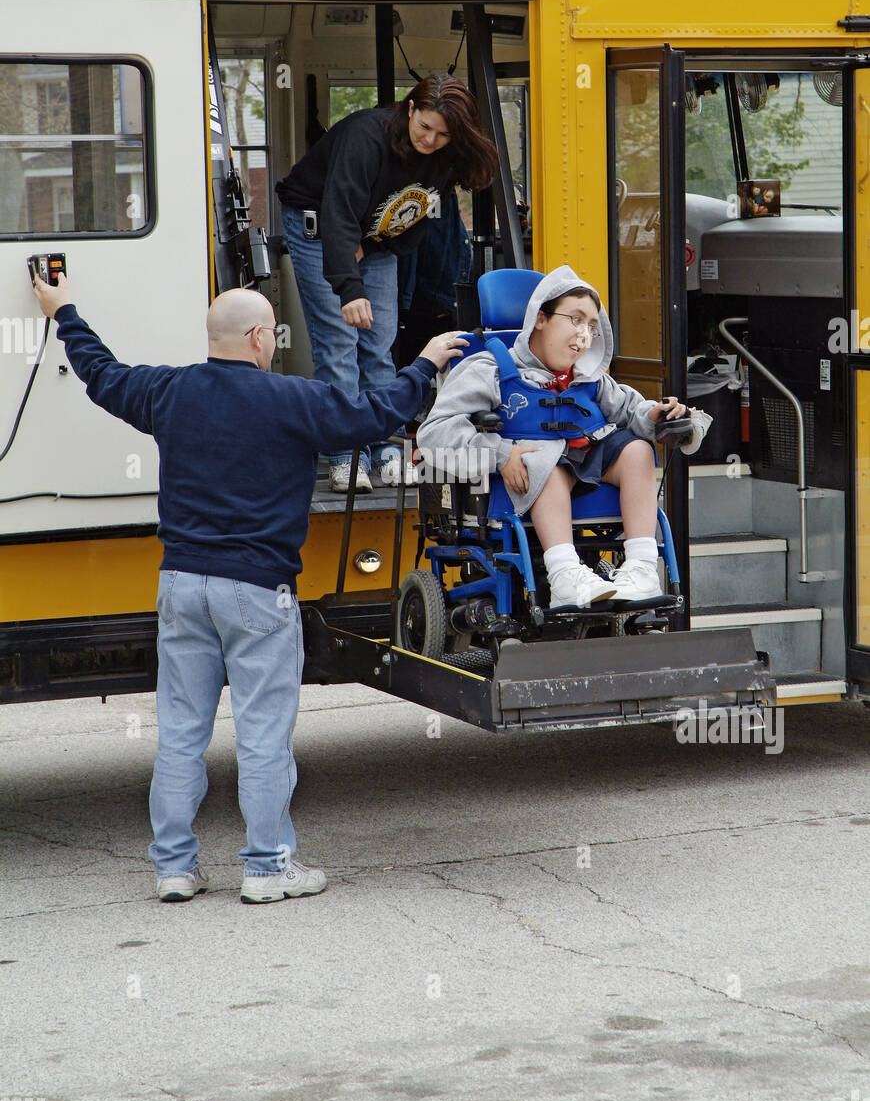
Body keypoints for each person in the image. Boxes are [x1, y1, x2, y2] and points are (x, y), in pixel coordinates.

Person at [32, 272, 465, 904]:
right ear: (260, 337)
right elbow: (378, 414)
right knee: (263, 736)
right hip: (257, 592)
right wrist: (425, 365)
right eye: (273, 335)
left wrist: (63, 309)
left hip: (181, 585)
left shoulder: (167, 390)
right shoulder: (292, 399)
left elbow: (100, 371)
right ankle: (266, 869)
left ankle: (175, 869)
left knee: (181, 733)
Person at [417, 265, 711, 608]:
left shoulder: (589, 376)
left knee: (638, 451)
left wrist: (656, 415)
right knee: (550, 465)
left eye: (591, 325)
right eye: (575, 319)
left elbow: (630, 409)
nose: (584, 335)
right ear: (540, 318)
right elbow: (436, 431)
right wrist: (501, 453)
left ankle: (642, 570)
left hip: (585, 462)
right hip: (529, 474)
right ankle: (565, 577)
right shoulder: (489, 368)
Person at [277, 72, 497, 491]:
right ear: (409, 109)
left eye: (443, 134)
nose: (430, 140)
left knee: (378, 347)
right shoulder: (366, 136)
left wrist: (373, 243)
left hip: (373, 236)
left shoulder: (442, 158)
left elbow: (412, 214)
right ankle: (345, 456)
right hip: (318, 225)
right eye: (424, 127)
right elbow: (338, 212)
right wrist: (349, 287)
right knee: (339, 344)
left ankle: (384, 450)